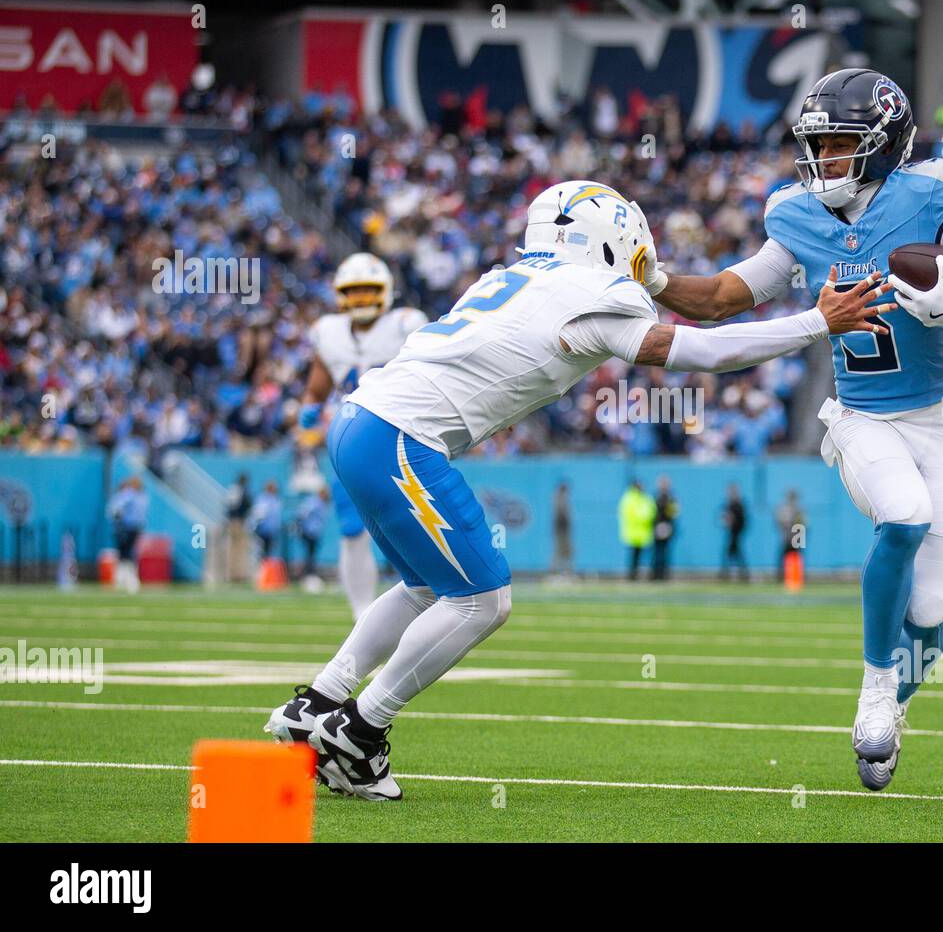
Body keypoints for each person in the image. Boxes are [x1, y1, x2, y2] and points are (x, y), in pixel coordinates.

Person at [266, 179, 894, 800]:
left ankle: (319, 700)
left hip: (357, 423)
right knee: (484, 600)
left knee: (428, 587)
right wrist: (815, 322)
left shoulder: (508, 277)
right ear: (612, 238)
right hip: (399, 437)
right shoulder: (596, 290)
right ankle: (360, 728)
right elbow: (702, 350)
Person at [648, 70, 943, 790]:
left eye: (839, 145)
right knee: (902, 517)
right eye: (817, 145)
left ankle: (893, 701)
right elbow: (715, 298)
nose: (823, 160)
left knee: (929, 620)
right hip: (862, 414)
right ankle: (873, 685)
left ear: (881, 142)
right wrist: (649, 277)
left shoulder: (932, 198)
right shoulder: (796, 216)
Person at [298, 253, 429, 619]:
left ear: (385, 291)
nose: (360, 300)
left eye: (368, 291)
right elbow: (316, 389)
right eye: (353, 293)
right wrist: (307, 416)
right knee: (352, 526)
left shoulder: (406, 324)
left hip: (402, 433)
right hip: (352, 438)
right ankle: (362, 615)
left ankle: (426, 600)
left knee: (409, 521)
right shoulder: (329, 332)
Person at [106, 477, 147, 593]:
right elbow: (115, 509)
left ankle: (124, 579)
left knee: (126, 553)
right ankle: (125, 579)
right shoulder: (137, 496)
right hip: (129, 527)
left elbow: (115, 509)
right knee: (126, 553)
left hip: (129, 527)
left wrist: (117, 521)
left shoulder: (132, 495)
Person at [618, 480, 655, 580]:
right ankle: (632, 576)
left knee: (643, 557)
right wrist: (643, 517)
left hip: (644, 533)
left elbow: (652, 511)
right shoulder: (629, 498)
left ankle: (642, 575)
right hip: (633, 533)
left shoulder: (645, 498)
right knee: (634, 557)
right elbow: (630, 514)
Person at [224, 473, 252, 583]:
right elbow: (246, 505)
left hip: (231, 521)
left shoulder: (232, 489)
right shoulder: (242, 491)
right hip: (239, 521)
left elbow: (229, 506)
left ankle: (231, 574)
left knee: (232, 549)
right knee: (240, 549)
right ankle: (239, 575)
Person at [296, 486, 327, 582]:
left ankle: (309, 574)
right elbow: (303, 513)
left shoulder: (321, 503)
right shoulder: (315, 502)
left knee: (311, 554)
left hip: (314, 532)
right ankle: (308, 574)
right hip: (309, 532)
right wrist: (301, 526)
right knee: (310, 554)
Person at [650, 475, 679, 581]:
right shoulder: (654, 496)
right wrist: (657, 525)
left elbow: (674, 513)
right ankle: (655, 574)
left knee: (665, 552)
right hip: (656, 528)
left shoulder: (671, 498)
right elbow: (651, 512)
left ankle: (664, 574)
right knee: (656, 552)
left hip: (667, 528)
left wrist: (667, 526)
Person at [775, 488, 807, 580]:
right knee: (785, 558)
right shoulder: (786, 509)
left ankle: (796, 578)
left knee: (796, 559)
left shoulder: (798, 510)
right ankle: (783, 577)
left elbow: (802, 525)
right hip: (789, 537)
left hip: (795, 538)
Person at [719, 484, 748, 581]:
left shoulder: (738, 505)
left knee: (732, 553)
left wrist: (730, 521)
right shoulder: (730, 504)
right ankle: (741, 574)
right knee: (733, 553)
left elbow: (741, 520)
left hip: (736, 532)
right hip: (732, 532)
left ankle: (726, 574)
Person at [249, 480, 282, 561]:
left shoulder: (276, 500)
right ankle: (261, 570)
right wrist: (254, 527)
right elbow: (258, 514)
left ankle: (266, 570)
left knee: (269, 553)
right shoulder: (263, 499)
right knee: (261, 552)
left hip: (271, 532)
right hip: (262, 531)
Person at [550, 481, 574, 578]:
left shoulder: (559, 498)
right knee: (560, 551)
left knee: (564, 552)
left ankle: (563, 572)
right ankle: (557, 572)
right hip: (561, 530)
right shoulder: (560, 499)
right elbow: (561, 516)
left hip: (562, 530)